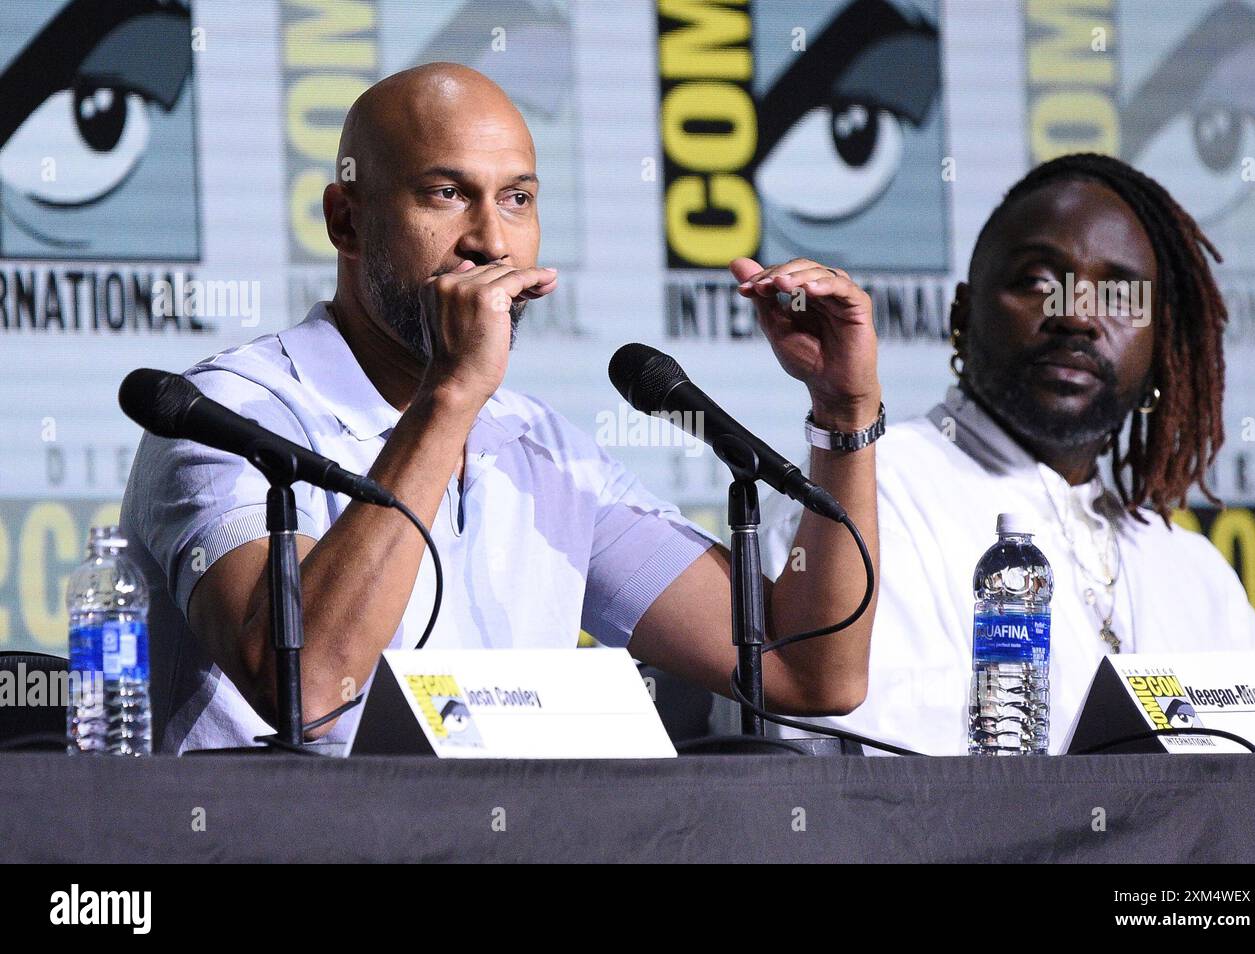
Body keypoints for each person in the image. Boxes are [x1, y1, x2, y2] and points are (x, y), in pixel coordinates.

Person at [122, 63, 884, 754]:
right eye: (447, 194)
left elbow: (809, 671)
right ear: (346, 221)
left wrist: (844, 411)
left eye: (517, 199)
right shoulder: (226, 417)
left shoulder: (542, 449)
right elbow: (307, 690)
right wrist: (450, 396)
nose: (491, 241)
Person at [760, 153, 1255, 756]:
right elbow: (839, 797)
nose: (1076, 315)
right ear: (961, 316)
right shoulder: (858, 495)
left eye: (1118, 295)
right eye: (1035, 281)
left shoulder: (1199, 576)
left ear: (1162, 348)